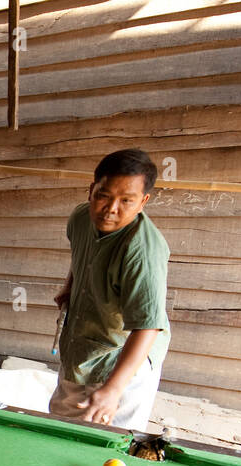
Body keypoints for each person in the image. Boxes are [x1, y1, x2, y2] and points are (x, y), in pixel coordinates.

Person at [50, 149, 170, 431]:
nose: (111, 208)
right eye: (104, 195)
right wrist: (70, 286)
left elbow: (147, 328)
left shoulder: (142, 252)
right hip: (82, 345)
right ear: (91, 191)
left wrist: (114, 390)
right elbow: (82, 254)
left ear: (143, 202)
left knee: (105, 443)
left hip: (125, 359)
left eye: (126, 201)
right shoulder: (80, 218)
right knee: (59, 428)